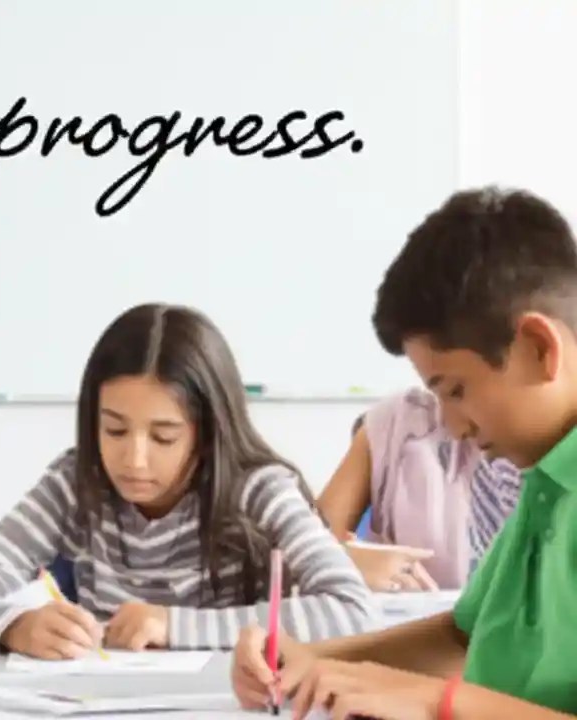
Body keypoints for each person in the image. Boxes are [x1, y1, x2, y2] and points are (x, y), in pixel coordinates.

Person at [231, 187, 577, 720]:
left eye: (455, 390)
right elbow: (463, 635)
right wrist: (313, 662)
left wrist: (436, 702)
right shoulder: (546, 479)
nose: (449, 425)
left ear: (540, 348)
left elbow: (450, 685)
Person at [0, 304, 374, 658]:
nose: (133, 459)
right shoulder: (76, 483)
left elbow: (351, 610)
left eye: (164, 436)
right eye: (113, 429)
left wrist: (174, 626)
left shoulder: (258, 489)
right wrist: (12, 627)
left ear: (209, 432)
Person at [317, 387, 521, 592]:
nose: (454, 426)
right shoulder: (403, 423)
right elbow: (304, 556)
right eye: (444, 388)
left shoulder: (543, 453)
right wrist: (347, 564)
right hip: (406, 617)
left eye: (459, 387)